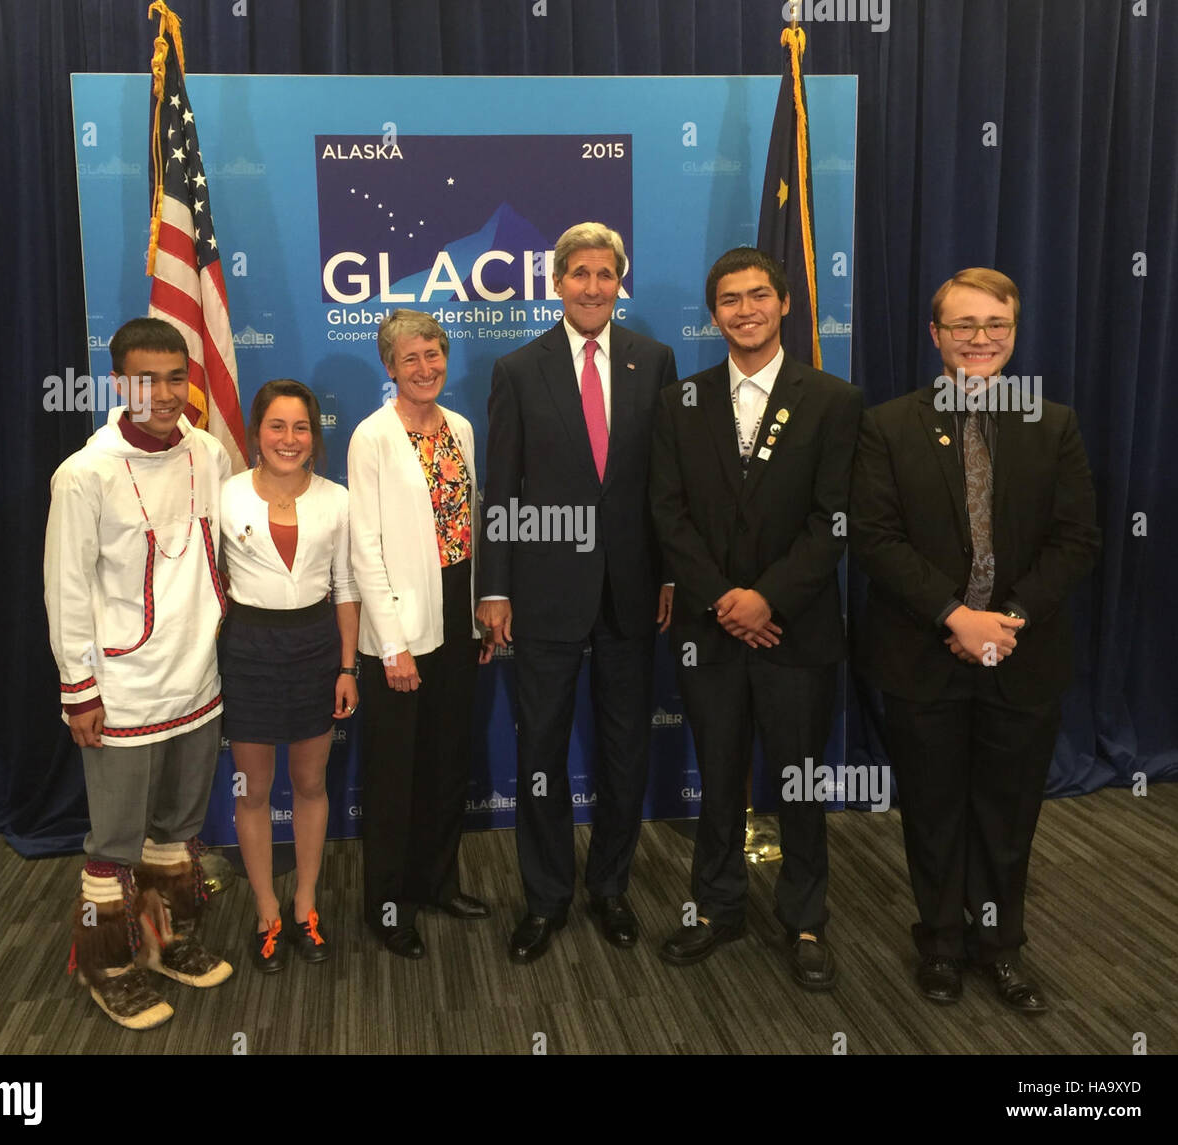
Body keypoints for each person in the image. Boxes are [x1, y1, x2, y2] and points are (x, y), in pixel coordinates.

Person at [850, 268, 1100, 1012]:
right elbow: (875, 537)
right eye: (963, 325)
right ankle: (941, 945)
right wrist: (957, 618)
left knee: (1007, 813)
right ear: (936, 335)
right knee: (932, 810)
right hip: (923, 653)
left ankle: (999, 946)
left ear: (1013, 334)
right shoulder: (888, 424)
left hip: (1022, 657)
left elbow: (1076, 538)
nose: (980, 339)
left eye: (995, 324)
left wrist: (1008, 621)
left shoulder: (1052, 424)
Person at [650, 248, 861, 989]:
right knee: (717, 775)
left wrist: (767, 597)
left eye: (758, 296)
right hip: (709, 631)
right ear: (714, 315)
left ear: (785, 304)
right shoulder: (681, 402)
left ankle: (804, 918)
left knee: (799, 780)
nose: (745, 310)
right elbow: (667, 515)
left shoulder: (834, 400)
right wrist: (722, 601)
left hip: (795, 632)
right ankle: (716, 907)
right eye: (730, 300)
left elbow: (834, 519)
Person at [478, 222, 677, 964]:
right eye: (580, 274)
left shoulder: (653, 360)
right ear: (556, 282)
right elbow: (501, 487)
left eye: (606, 274)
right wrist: (493, 589)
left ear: (618, 282)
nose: (594, 286)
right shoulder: (517, 369)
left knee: (627, 751)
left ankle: (611, 888)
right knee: (542, 751)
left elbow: (667, 481)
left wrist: (667, 573)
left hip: (630, 590)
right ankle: (546, 897)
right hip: (544, 592)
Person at [44, 317, 233, 1030]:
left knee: (175, 829)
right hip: (122, 690)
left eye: (176, 379)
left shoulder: (208, 453)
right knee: (113, 843)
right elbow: (66, 590)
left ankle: (162, 938)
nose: (162, 394)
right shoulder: (85, 474)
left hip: (199, 681)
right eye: (145, 380)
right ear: (119, 382)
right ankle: (106, 964)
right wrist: (79, 690)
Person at [347, 310, 493, 960]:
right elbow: (366, 549)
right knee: (393, 776)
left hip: (456, 619)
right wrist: (393, 642)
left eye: (433, 354)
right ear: (389, 367)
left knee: (444, 766)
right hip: (400, 633)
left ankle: (437, 883)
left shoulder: (460, 427)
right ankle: (387, 904)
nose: (425, 367)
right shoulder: (372, 437)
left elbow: (468, 529)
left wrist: (479, 612)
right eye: (411, 358)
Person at [219, 379, 360, 972]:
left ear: (314, 436)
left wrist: (348, 667)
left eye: (300, 427)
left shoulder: (337, 499)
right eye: (277, 426)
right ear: (256, 433)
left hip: (315, 647)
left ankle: (305, 907)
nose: (289, 438)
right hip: (248, 647)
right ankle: (266, 911)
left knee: (309, 784)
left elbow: (347, 588)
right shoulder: (224, 495)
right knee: (252, 789)